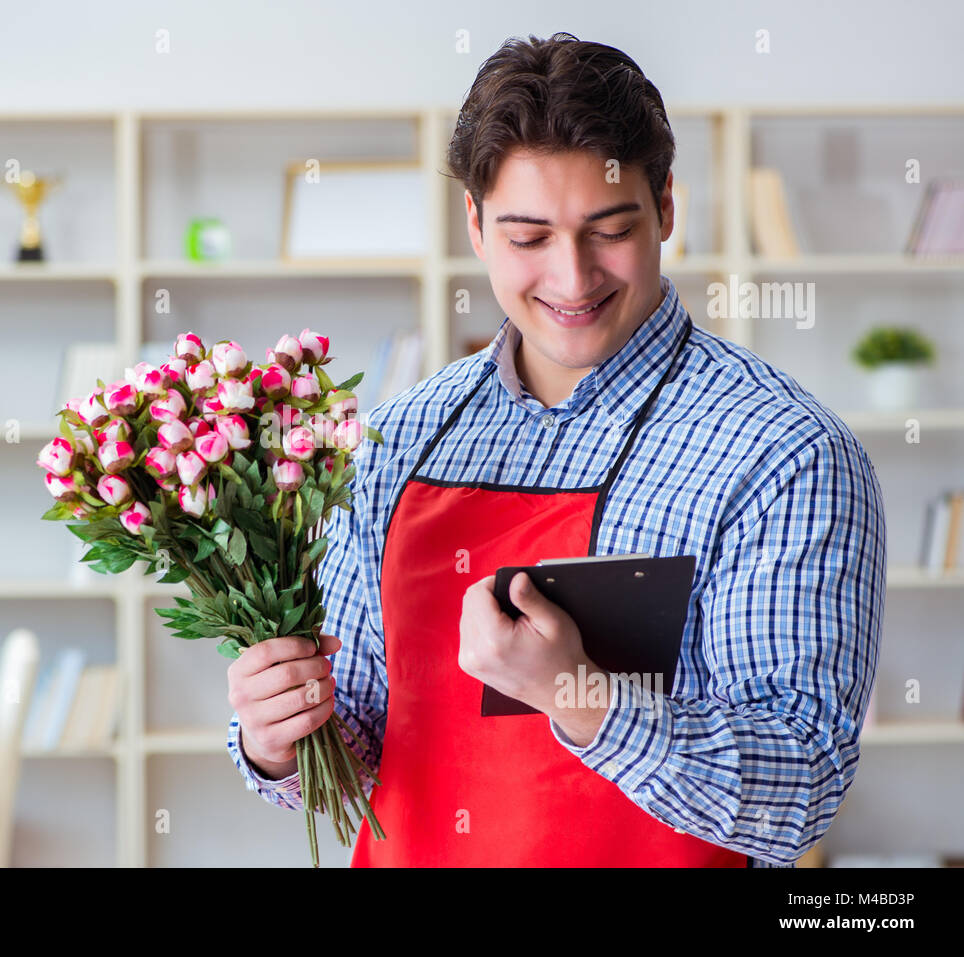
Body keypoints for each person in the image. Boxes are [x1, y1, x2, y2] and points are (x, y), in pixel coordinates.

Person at [226, 32, 886, 867]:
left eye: (609, 230)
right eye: (528, 237)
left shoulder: (784, 453)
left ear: (666, 209)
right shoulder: (397, 442)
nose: (573, 280)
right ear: (474, 222)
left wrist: (580, 697)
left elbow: (800, 786)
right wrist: (275, 738)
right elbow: (357, 748)